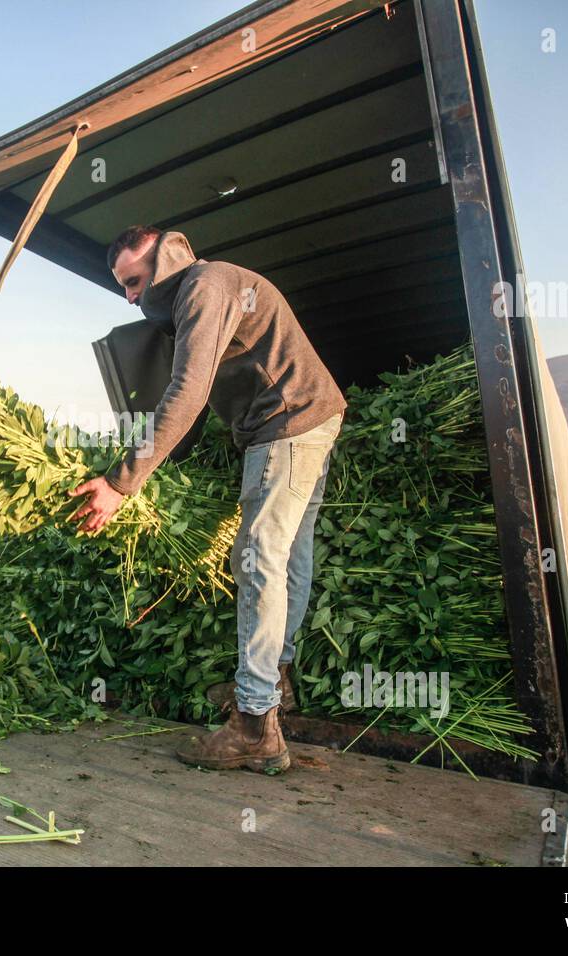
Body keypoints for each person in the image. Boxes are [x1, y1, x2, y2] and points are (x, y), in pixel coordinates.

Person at [68, 225, 348, 773]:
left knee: (258, 558)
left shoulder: (204, 284)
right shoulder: (208, 290)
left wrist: (123, 481)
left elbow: (188, 391)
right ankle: (274, 683)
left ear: (164, 260)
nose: (129, 296)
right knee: (289, 556)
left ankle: (253, 723)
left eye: (133, 281)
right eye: (122, 288)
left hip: (287, 421)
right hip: (312, 416)